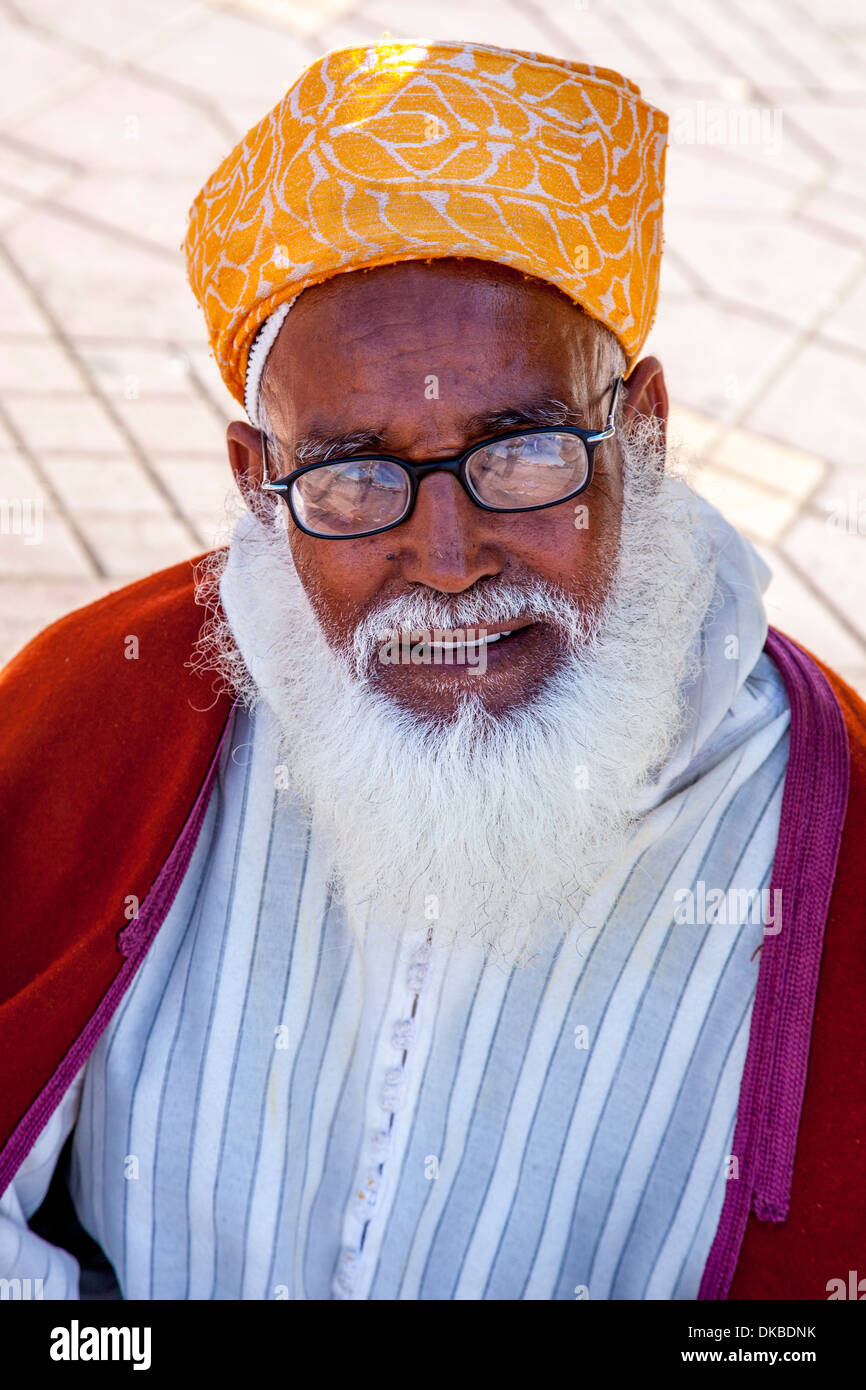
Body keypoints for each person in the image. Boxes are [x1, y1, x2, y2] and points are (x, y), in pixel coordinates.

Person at [0, 40, 863, 1302]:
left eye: (519, 456)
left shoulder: (830, 828)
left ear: (643, 430)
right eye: (354, 478)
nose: (447, 560)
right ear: (256, 483)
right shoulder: (93, 714)